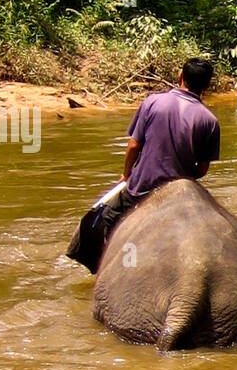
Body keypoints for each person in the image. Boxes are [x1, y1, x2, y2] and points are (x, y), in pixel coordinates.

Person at [67, 58, 221, 271]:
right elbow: (202, 170)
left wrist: (126, 174)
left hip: (142, 187)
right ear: (206, 86)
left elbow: (133, 146)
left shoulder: (153, 102)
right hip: (180, 193)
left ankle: (102, 270)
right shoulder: (210, 121)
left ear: (180, 77)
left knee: (100, 221)